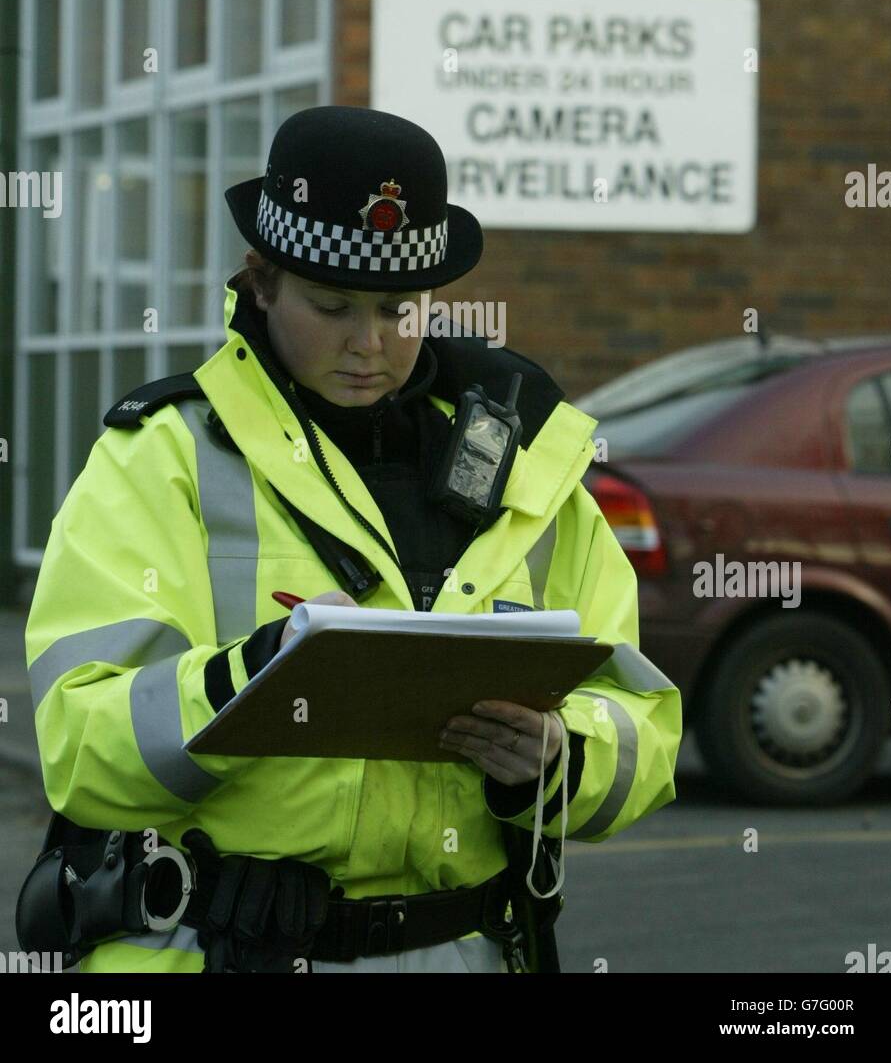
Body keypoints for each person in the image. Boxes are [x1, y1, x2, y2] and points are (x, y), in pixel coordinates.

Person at [22, 106, 682, 974]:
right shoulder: (165, 457)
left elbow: (646, 729)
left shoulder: (529, 464)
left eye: (399, 309)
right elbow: (78, 743)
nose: (369, 344)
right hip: (231, 951)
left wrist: (556, 761)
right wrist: (250, 678)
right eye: (331, 307)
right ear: (261, 284)